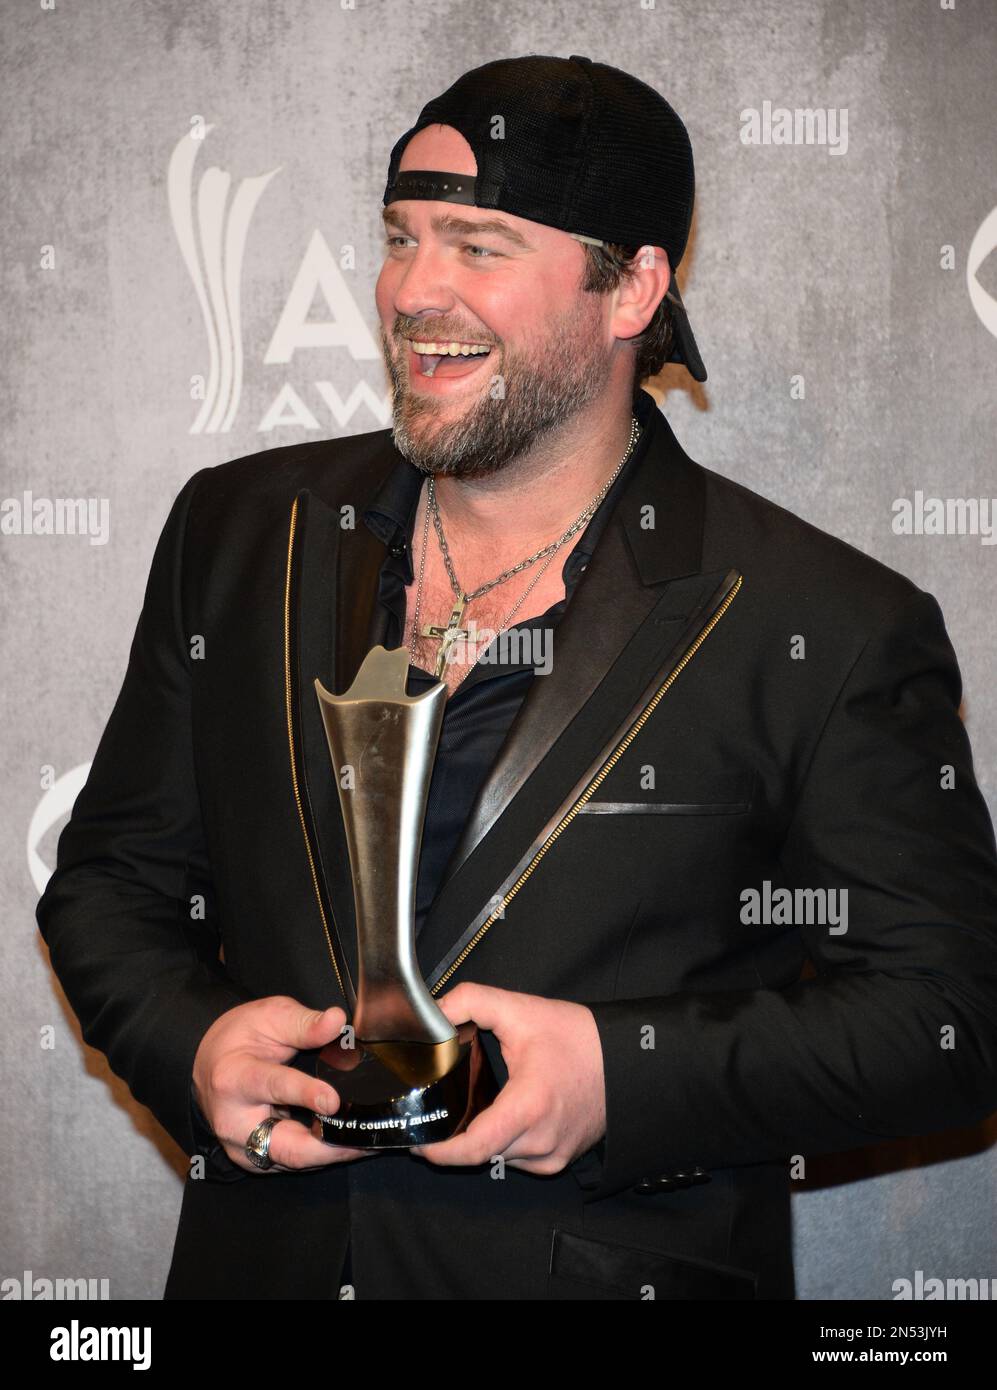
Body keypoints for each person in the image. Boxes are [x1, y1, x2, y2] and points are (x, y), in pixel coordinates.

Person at [36, 54, 997, 1301]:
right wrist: (194, 1042)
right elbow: (112, 880)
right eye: (401, 235)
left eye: (478, 245)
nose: (409, 290)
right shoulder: (238, 533)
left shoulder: (823, 622)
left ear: (630, 288)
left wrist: (621, 1070)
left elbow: (951, 1017)